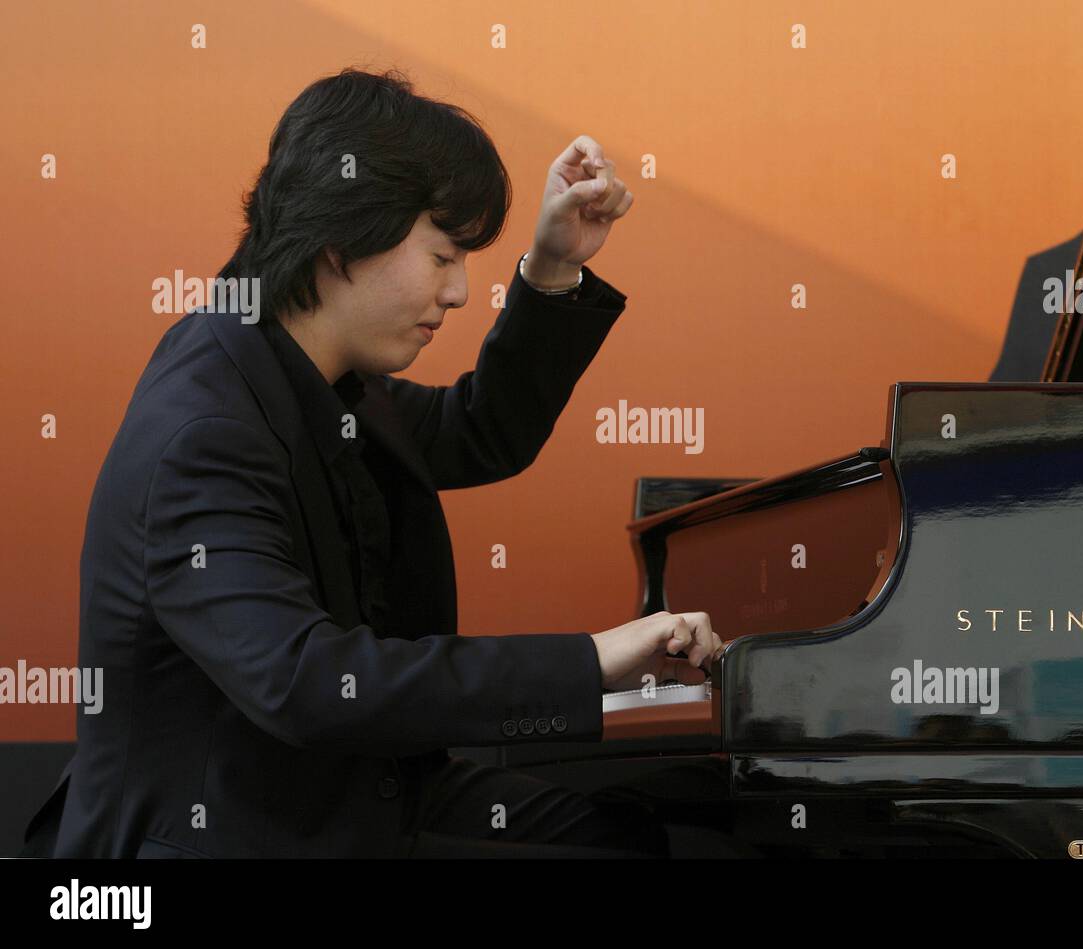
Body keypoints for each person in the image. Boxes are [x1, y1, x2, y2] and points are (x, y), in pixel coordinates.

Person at [20, 67, 720, 859]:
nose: (459, 292)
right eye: (442, 256)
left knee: (635, 835)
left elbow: (479, 429)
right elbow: (308, 680)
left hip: (350, 788)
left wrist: (554, 265)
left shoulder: (316, 371)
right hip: (231, 835)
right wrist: (591, 660)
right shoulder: (204, 429)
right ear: (340, 238)